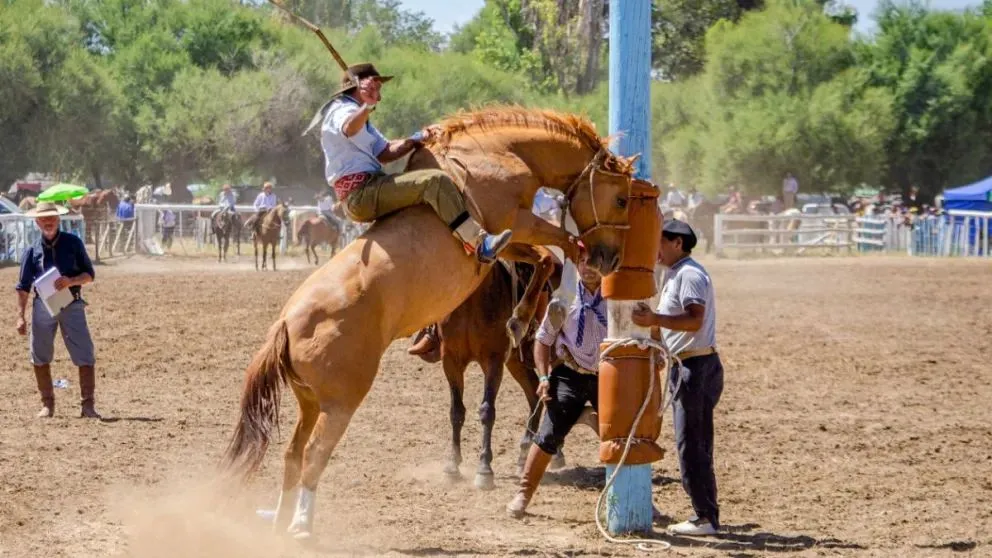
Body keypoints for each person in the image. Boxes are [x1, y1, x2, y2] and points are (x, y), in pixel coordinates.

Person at [308, 62, 512, 264]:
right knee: (435, 182)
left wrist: (417, 138)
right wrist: (367, 106)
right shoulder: (341, 109)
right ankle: (478, 243)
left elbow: (386, 151)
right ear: (360, 87)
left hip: (369, 189)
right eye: (375, 89)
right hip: (362, 194)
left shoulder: (360, 118)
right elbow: (348, 128)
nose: (379, 97)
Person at [631, 219, 724, 536]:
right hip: (690, 365)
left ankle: (705, 517)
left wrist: (655, 319)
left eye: (660, 241)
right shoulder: (676, 274)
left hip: (693, 368)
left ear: (677, 244)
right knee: (694, 442)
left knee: (691, 444)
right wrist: (657, 333)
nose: (654, 248)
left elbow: (694, 320)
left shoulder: (689, 275)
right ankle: (705, 513)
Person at [506, 251, 606, 518]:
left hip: (606, 376)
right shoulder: (563, 300)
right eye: (583, 262)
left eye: (594, 262)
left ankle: (636, 493)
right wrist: (543, 377)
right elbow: (543, 340)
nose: (588, 268)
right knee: (548, 435)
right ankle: (523, 494)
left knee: (619, 434)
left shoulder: (616, 299)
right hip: (570, 375)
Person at [15, 202, 100, 419]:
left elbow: (89, 275)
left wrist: (71, 280)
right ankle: (47, 404)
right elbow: (23, 287)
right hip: (42, 307)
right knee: (39, 354)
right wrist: (20, 316)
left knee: (85, 353)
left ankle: (87, 405)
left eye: (52, 217)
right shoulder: (31, 251)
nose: (48, 221)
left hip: (72, 304)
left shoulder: (74, 244)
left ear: (58, 219)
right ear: (37, 222)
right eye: (43, 219)